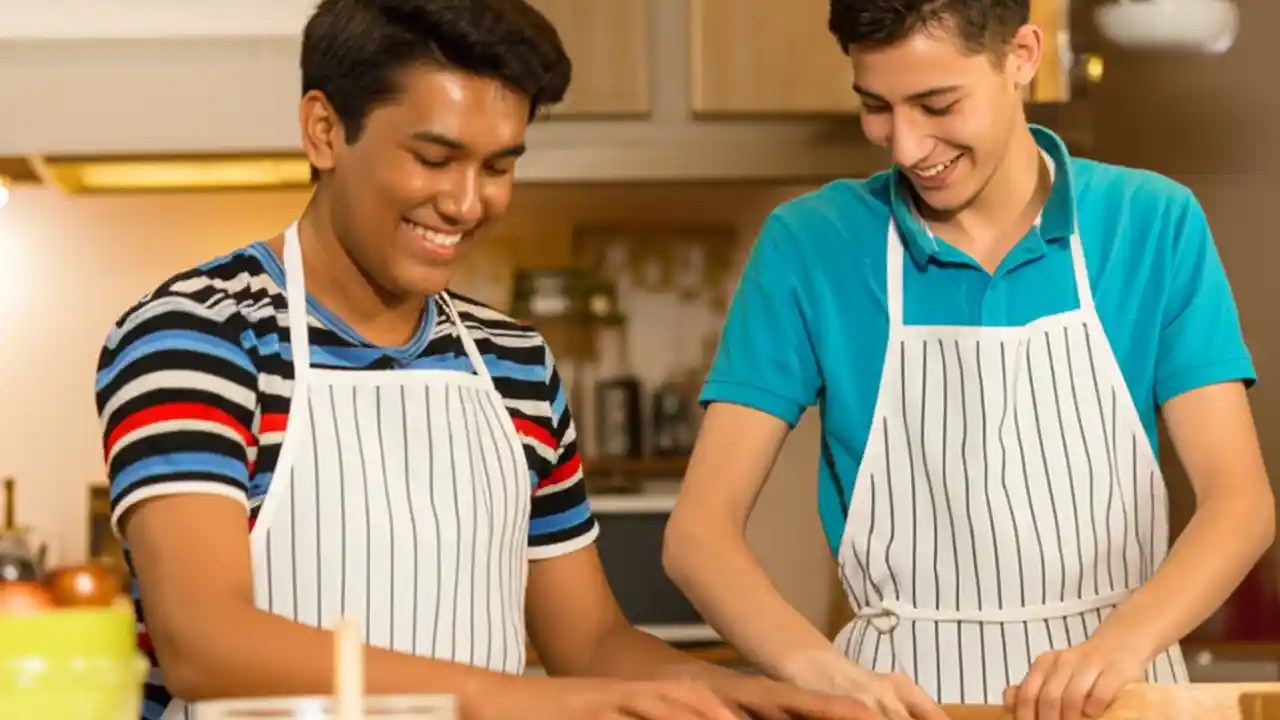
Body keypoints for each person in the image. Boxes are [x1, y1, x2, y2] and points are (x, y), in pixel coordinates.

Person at [92, 2, 885, 719]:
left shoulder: (513, 364)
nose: (469, 203)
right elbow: (205, 640)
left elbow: (591, 645)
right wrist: (500, 699)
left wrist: (744, 692)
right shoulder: (200, 337)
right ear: (324, 131)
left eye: (499, 166)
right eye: (435, 159)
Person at [661, 1, 1275, 720]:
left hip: (1118, 691)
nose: (906, 147)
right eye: (876, 107)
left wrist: (1115, 649)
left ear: (1021, 55)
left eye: (937, 103)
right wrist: (819, 672)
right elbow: (698, 535)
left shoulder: (1150, 224)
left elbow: (1240, 503)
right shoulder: (811, 245)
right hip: (898, 701)